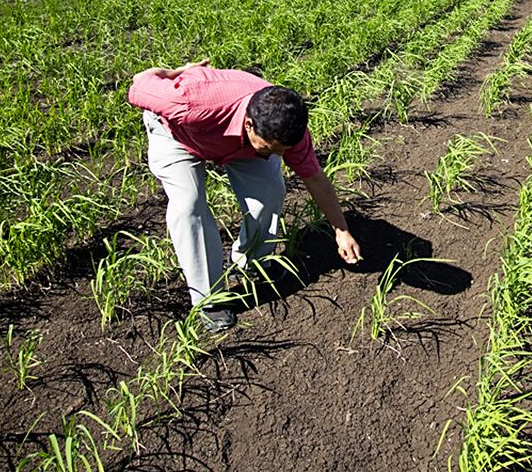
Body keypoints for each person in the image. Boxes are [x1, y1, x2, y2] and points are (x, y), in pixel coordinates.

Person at [128, 60, 361, 331]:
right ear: (249, 124)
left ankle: (252, 263)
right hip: (177, 137)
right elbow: (138, 83)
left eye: (281, 151)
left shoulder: (287, 131)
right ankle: (210, 298)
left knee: (270, 192)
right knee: (189, 206)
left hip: (238, 144)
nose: (277, 156)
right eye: (270, 148)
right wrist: (172, 74)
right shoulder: (188, 102)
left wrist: (341, 230)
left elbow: (315, 178)